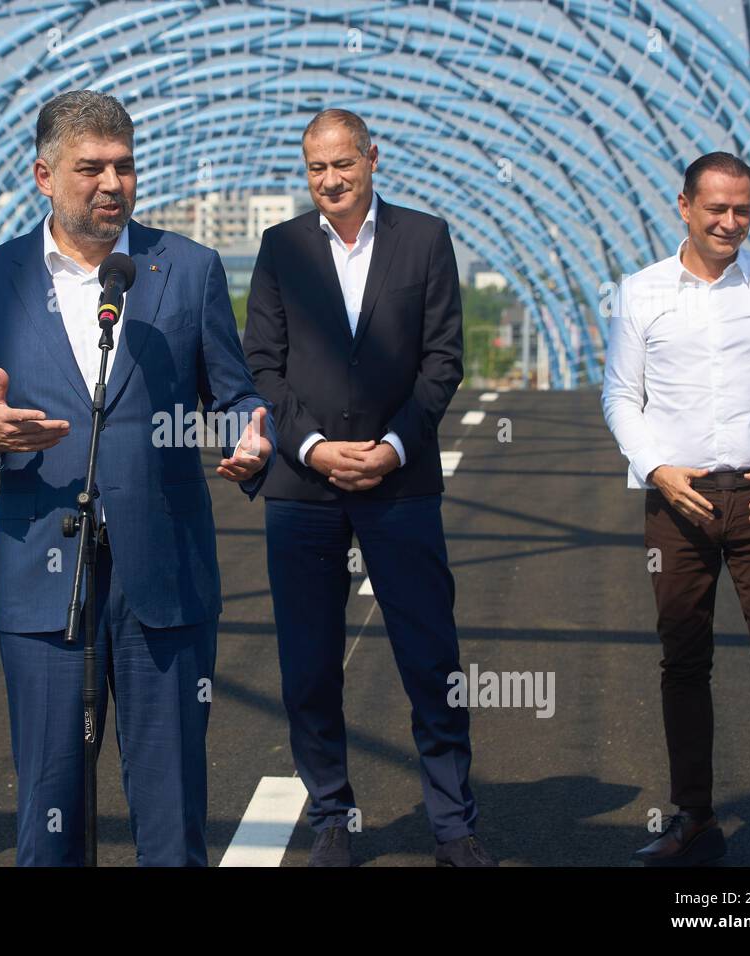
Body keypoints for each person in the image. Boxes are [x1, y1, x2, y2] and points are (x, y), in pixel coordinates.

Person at [0, 90, 274, 866]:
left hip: (166, 578)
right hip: (45, 580)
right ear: (44, 176)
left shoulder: (189, 269)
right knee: (51, 814)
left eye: (124, 166)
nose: (112, 183)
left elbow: (239, 393)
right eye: (90, 168)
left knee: (173, 814)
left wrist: (254, 437)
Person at [244, 109, 494, 867]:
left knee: (429, 654)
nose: (331, 181)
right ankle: (331, 818)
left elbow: (442, 359)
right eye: (317, 168)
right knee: (309, 662)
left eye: (343, 165)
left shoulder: (425, 238)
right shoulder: (281, 247)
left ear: (373, 159)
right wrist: (314, 448)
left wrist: (390, 447)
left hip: (400, 482)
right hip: (304, 485)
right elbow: (262, 361)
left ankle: (453, 825)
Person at [602, 151, 750, 867]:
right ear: (684, 206)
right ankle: (692, 814)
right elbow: (619, 394)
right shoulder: (641, 293)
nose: (730, 222)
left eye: (742, 210)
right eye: (716, 209)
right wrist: (657, 470)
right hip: (679, 500)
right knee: (683, 659)